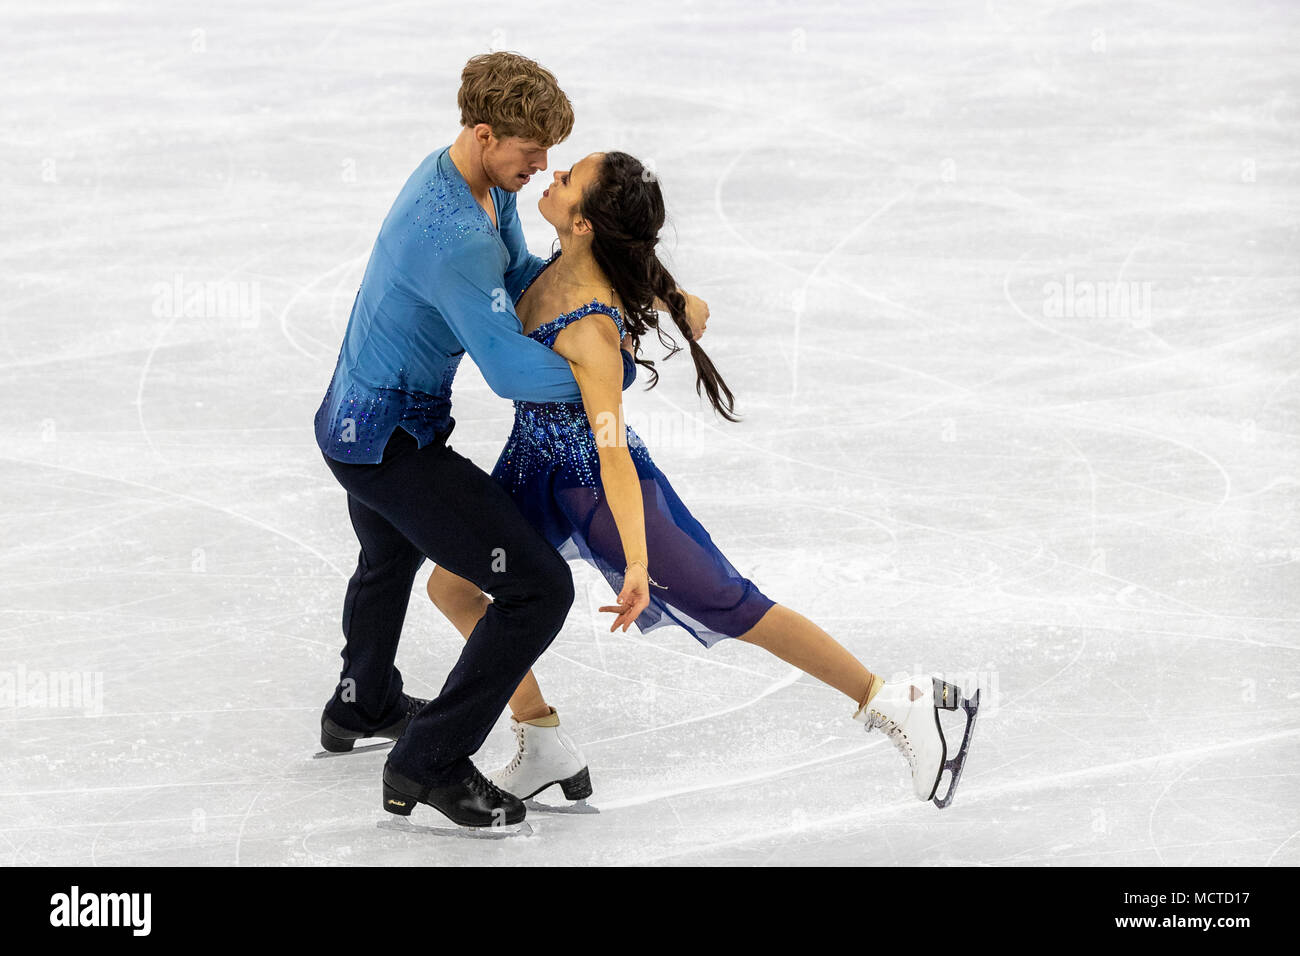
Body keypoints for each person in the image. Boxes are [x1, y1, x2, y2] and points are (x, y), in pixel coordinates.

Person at [426, 151, 981, 810]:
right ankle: (540, 734)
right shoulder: (567, 261)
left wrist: (635, 561)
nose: (554, 177)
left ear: (584, 226)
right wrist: (675, 297)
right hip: (530, 466)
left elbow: (612, 455)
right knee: (453, 587)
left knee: (726, 599)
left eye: (567, 178)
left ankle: (895, 702)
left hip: (592, 488)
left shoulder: (592, 330)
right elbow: (628, 253)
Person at [312, 53, 653, 829]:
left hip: (360, 417)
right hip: (387, 444)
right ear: (482, 131)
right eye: (531, 151)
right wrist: (610, 373)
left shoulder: (476, 183)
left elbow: (523, 280)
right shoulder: (455, 234)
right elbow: (506, 367)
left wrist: (615, 298)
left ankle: (361, 704)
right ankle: (426, 762)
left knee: (391, 552)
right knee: (536, 590)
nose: (543, 166)